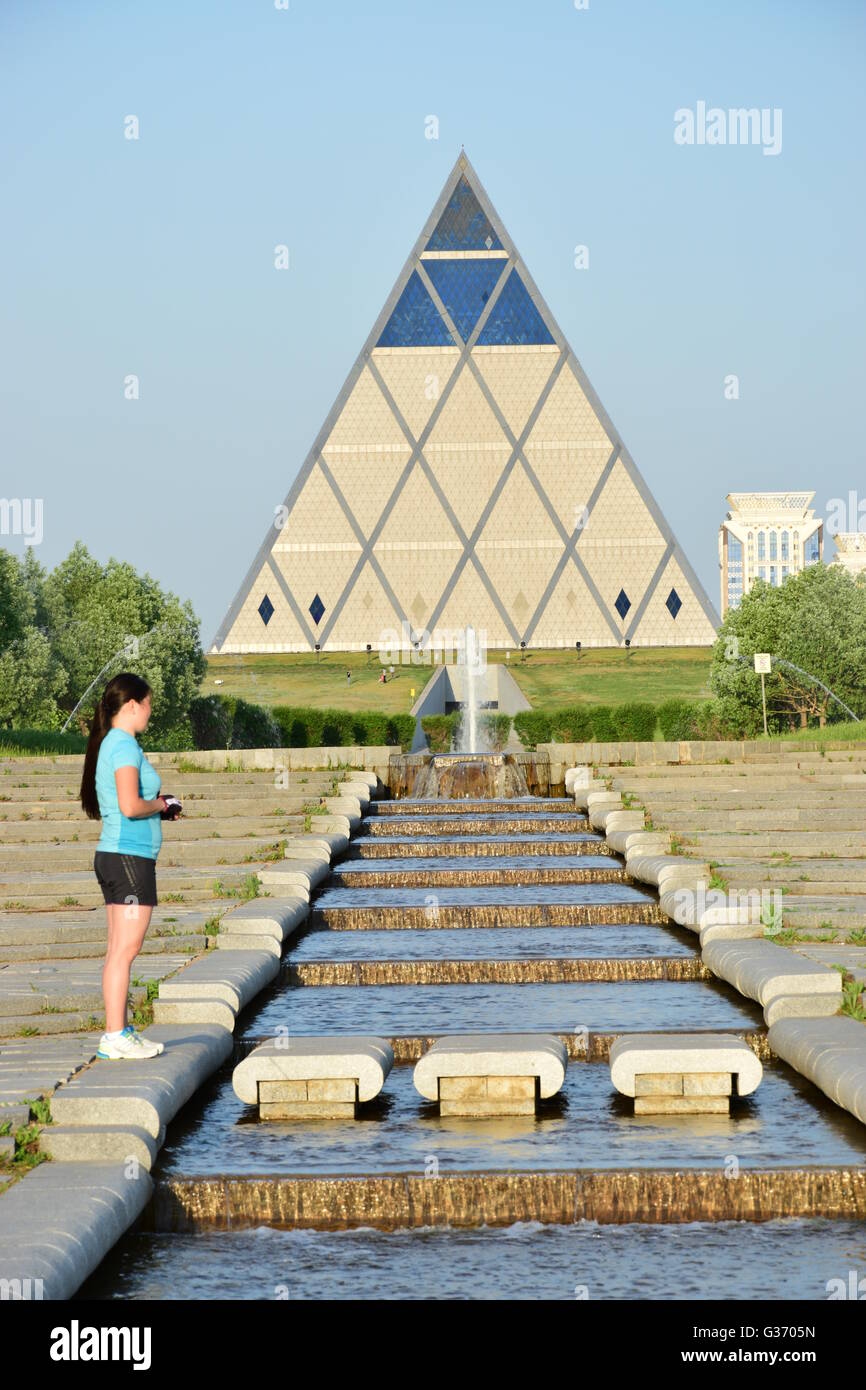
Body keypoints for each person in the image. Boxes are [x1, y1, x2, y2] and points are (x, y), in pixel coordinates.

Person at [79, 672, 182, 1060]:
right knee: (126, 949)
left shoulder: (114, 744)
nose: (151, 712)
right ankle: (115, 1034)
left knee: (117, 949)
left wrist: (159, 809)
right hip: (129, 860)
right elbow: (129, 806)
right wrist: (161, 804)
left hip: (117, 855)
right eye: (149, 704)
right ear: (133, 704)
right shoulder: (122, 746)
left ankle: (118, 1032)